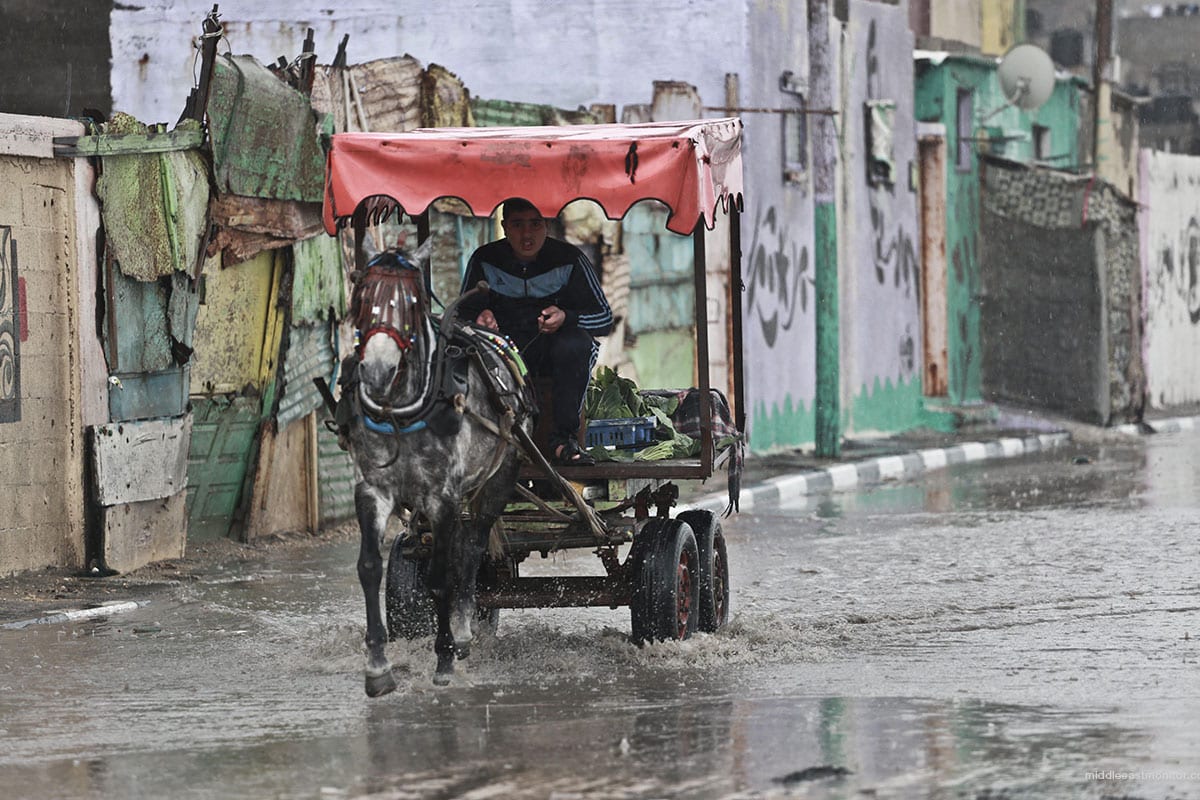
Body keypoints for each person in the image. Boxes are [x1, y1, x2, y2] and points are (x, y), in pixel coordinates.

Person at [459, 197, 613, 465]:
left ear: (547, 225)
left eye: (535, 224)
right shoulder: (485, 259)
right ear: (505, 226)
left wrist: (566, 317)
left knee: (577, 344)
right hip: (504, 356)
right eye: (518, 225)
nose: (526, 234)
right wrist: (480, 316)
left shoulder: (570, 259)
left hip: (555, 356)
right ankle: (481, 441)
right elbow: (461, 316)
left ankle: (564, 441)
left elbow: (604, 319)